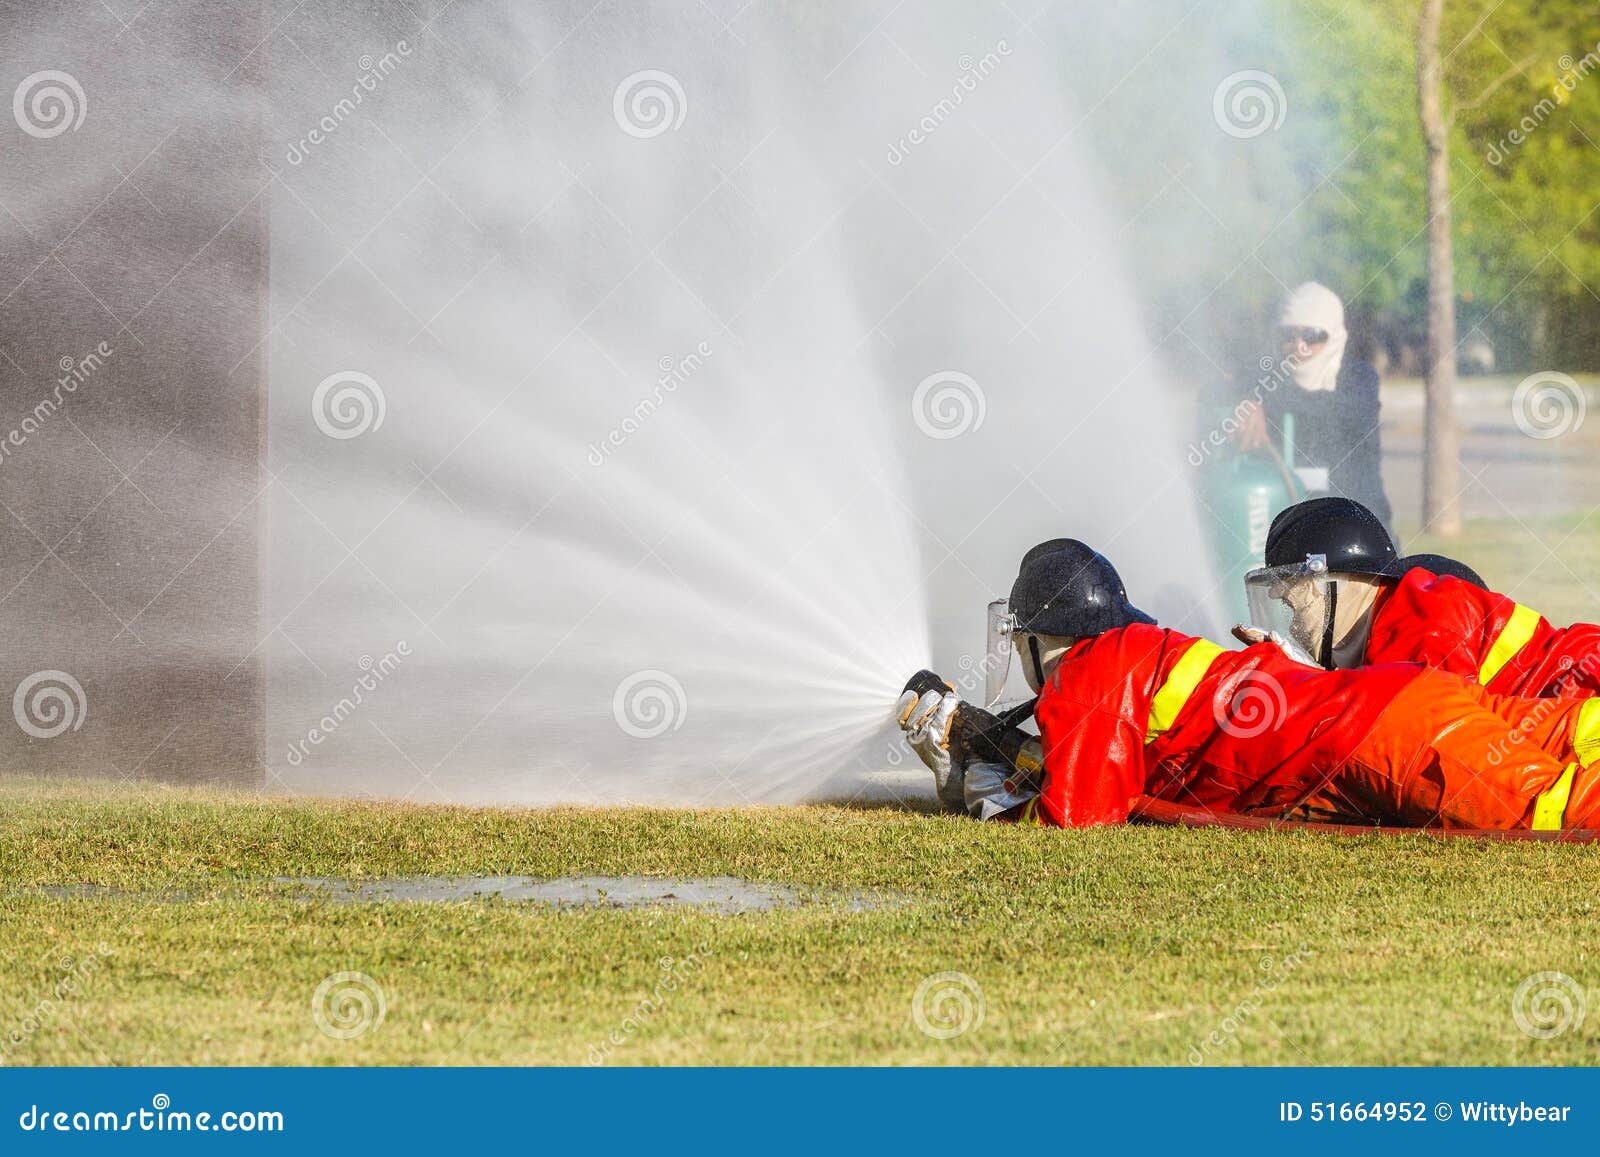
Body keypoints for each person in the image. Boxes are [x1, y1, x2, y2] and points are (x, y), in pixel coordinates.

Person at [896, 539, 1600, 831]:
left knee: (1558, 811)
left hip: (1384, 735)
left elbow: (1074, 818)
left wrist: (977, 780)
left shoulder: (1088, 671)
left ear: (1036, 639)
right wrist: (985, 741)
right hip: (1406, 705)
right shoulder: (1134, 656)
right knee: (1575, 736)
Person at [1249, 497, 1600, 699]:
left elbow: (1428, 741)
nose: (1294, 628)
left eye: (1296, 607)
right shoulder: (1396, 626)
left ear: (1339, 583)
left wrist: (1305, 688)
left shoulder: (1420, 621)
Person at [1231, 282, 1394, 535]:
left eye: (1313, 335)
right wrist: (1246, 399)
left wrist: (1258, 400)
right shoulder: (1268, 380)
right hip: (1289, 537)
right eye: (1288, 335)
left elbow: (1322, 406)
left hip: (1361, 535)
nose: (1299, 346)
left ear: (1334, 333)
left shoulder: (1359, 378)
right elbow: (1216, 390)